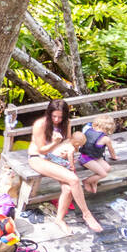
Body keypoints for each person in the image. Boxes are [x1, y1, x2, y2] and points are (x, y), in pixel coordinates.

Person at [27, 99, 102, 234]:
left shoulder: (66, 123)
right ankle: (86, 214)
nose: (57, 120)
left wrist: (65, 150)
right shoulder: (40, 124)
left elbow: (67, 140)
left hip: (56, 157)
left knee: (68, 188)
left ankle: (59, 219)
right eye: (54, 116)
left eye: (60, 117)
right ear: (49, 113)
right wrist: (54, 143)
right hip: (38, 158)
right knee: (73, 180)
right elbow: (41, 150)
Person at [78, 115, 117, 194]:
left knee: (108, 168)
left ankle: (94, 181)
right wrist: (114, 157)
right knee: (103, 174)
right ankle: (86, 181)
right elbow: (111, 150)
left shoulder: (88, 130)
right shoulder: (106, 138)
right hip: (86, 158)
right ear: (109, 129)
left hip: (94, 156)